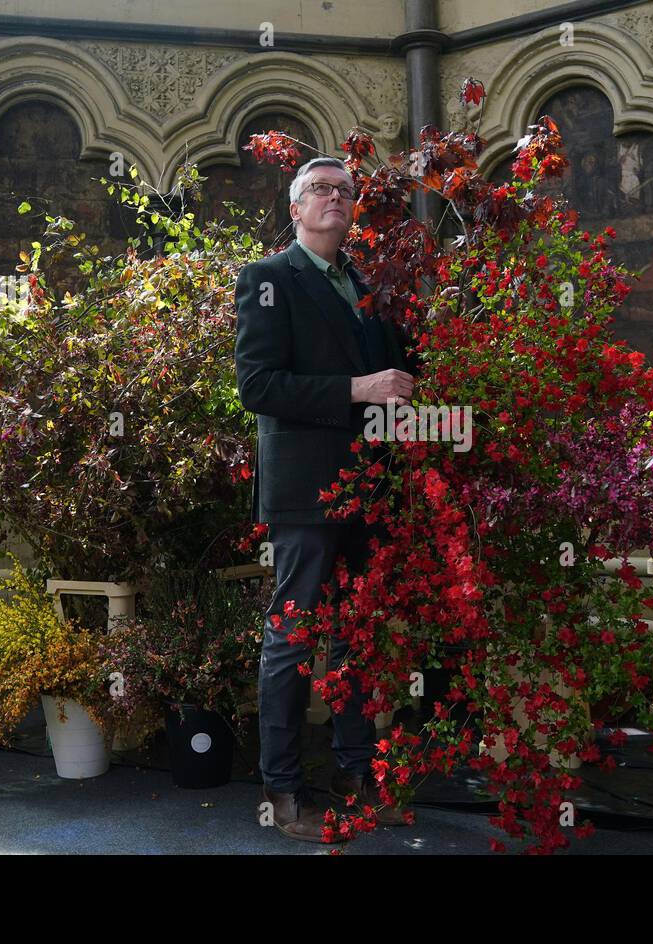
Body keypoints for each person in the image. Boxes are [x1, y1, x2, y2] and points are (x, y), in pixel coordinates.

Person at [234, 156, 418, 842]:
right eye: (320, 189)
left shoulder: (367, 289)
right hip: (305, 494)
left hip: (369, 488)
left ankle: (356, 774)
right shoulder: (267, 280)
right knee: (293, 637)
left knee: (357, 637)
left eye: (344, 190)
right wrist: (357, 389)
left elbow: (399, 381)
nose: (334, 198)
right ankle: (282, 792)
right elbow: (258, 387)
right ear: (297, 208)